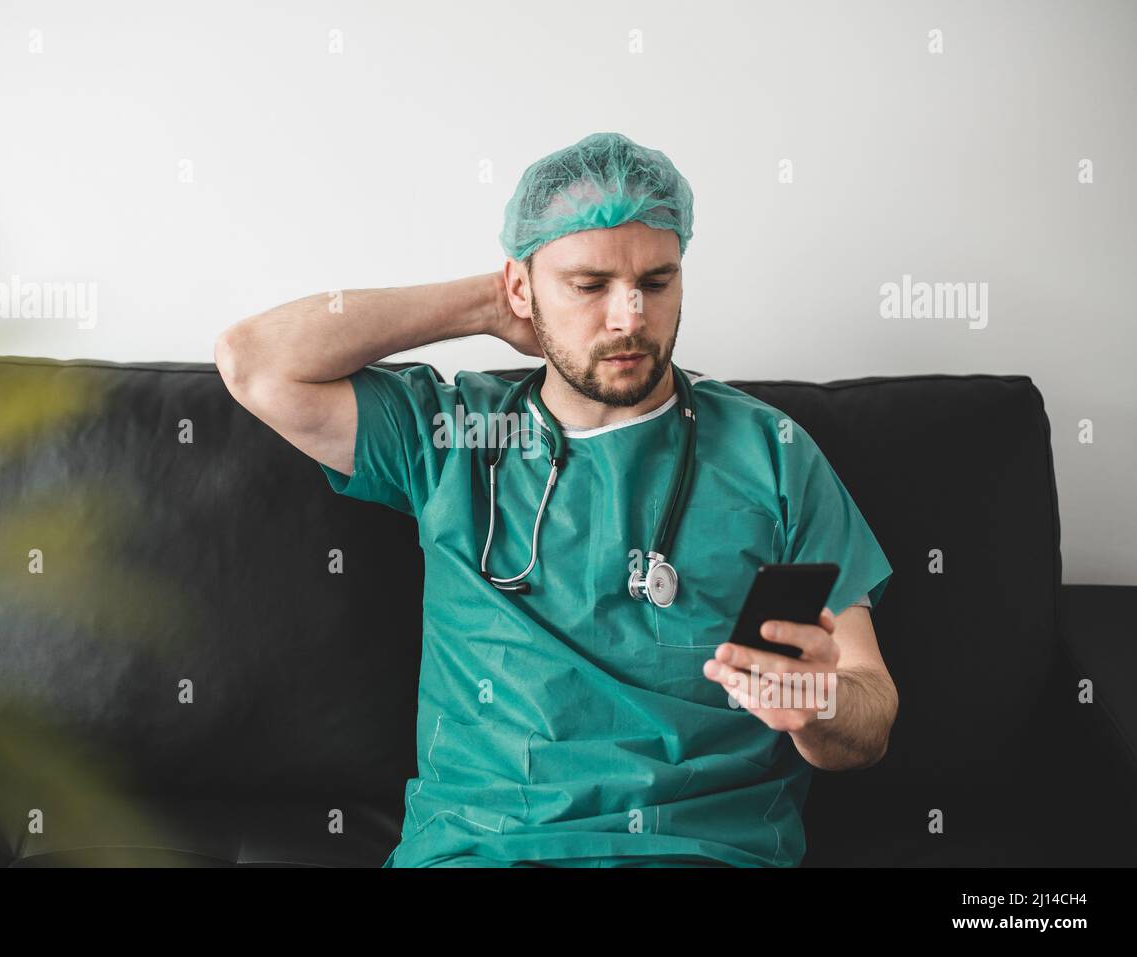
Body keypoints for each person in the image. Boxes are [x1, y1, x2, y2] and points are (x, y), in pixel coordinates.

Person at [214, 131, 897, 868]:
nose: (629, 315)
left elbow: (869, 710)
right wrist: (485, 302)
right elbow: (253, 363)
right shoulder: (453, 434)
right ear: (522, 287)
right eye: (589, 284)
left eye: (657, 282)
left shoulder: (774, 456)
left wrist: (819, 705)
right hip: (482, 853)